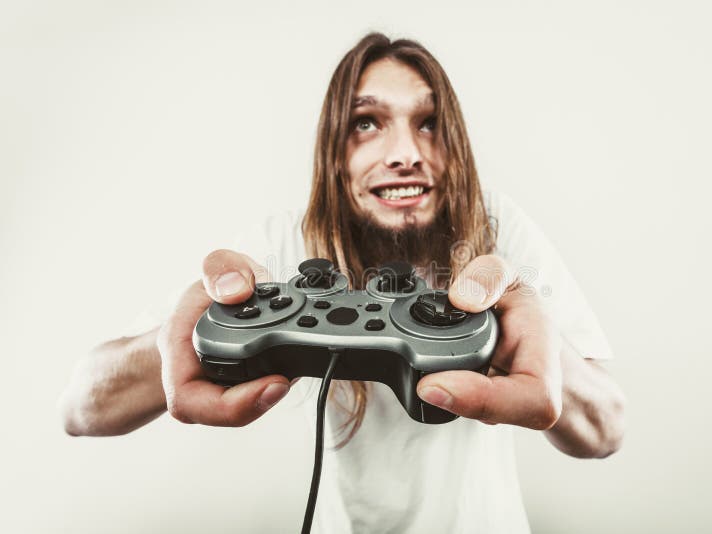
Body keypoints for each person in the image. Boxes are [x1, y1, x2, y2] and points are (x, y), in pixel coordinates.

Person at [59, 33, 626, 533]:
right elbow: (81, 408)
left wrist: (526, 342)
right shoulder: (288, 243)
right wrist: (180, 340)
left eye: (429, 124)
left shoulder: (496, 231)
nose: (405, 154)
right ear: (334, 154)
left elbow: (607, 431)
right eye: (366, 123)